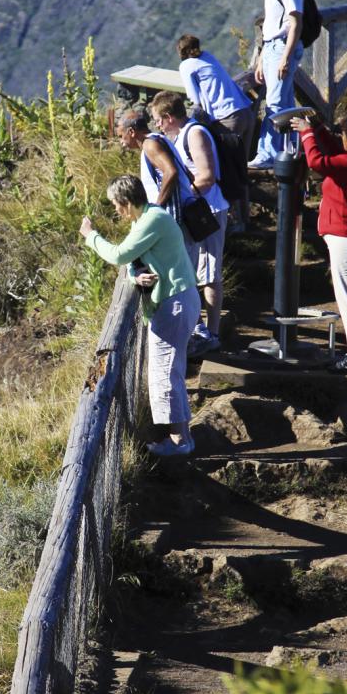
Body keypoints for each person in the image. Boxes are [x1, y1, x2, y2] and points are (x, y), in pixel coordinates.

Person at [79, 175, 201, 456]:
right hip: (177, 300)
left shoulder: (151, 221)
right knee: (170, 369)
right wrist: (136, 276)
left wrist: (91, 236)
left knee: (165, 372)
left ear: (125, 202)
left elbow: (120, 254)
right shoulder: (148, 219)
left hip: (174, 304)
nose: (115, 210)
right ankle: (182, 436)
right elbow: (136, 260)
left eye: (115, 205)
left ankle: (179, 441)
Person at [291, 111, 347, 373]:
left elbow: (318, 161)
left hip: (346, 238)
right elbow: (331, 153)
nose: (340, 139)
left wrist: (306, 132)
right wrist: (318, 129)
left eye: (343, 135)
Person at [148, 90, 228, 356]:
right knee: (195, 272)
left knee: (209, 274)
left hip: (207, 213)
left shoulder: (193, 134)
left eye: (159, 119)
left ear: (169, 117)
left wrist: (183, 198)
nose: (157, 125)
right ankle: (201, 330)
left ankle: (211, 335)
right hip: (197, 212)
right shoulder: (182, 135)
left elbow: (206, 176)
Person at [176, 34, 256, 231]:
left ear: (181, 51)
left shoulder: (186, 66)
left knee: (228, 170)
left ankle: (233, 221)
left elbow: (194, 98)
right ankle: (244, 220)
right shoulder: (208, 56)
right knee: (240, 169)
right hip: (245, 112)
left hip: (227, 118)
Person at [250, 0, 306, 168]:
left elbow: (295, 23)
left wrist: (285, 57)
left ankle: (269, 155)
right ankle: (291, 150)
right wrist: (263, 58)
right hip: (274, 48)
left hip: (283, 47)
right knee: (285, 104)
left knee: (273, 104)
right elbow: (270, 28)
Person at [116, 108, 195, 218]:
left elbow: (171, 171)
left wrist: (157, 207)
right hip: (187, 209)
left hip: (179, 214)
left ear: (131, 132)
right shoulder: (159, 139)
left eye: (121, 136)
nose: (121, 142)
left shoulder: (149, 145)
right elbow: (188, 174)